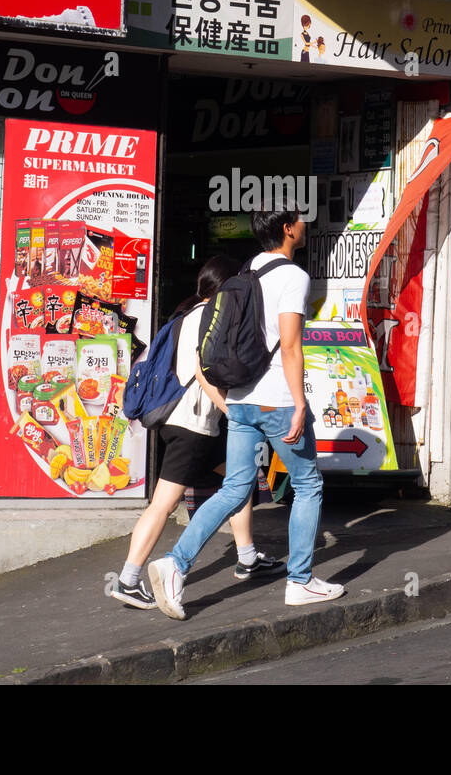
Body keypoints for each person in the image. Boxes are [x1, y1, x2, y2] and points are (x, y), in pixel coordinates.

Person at [147, 208, 344, 619]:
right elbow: (290, 345)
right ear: (288, 230)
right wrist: (300, 403)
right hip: (276, 399)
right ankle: (300, 580)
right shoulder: (293, 276)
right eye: (300, 221)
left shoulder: (246, 272)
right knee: (308, 485)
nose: (305, 225)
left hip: (239, 399)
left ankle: (175, 564)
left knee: (234, 489)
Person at [110, 255, 285, 609]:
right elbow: (204, 377)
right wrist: (235, 412)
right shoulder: (207, 318)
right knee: (162, 505)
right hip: (193, 427)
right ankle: (128, 579)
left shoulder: (183, 317)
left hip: (187, 425)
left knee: (240, 479)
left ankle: (247, 556)